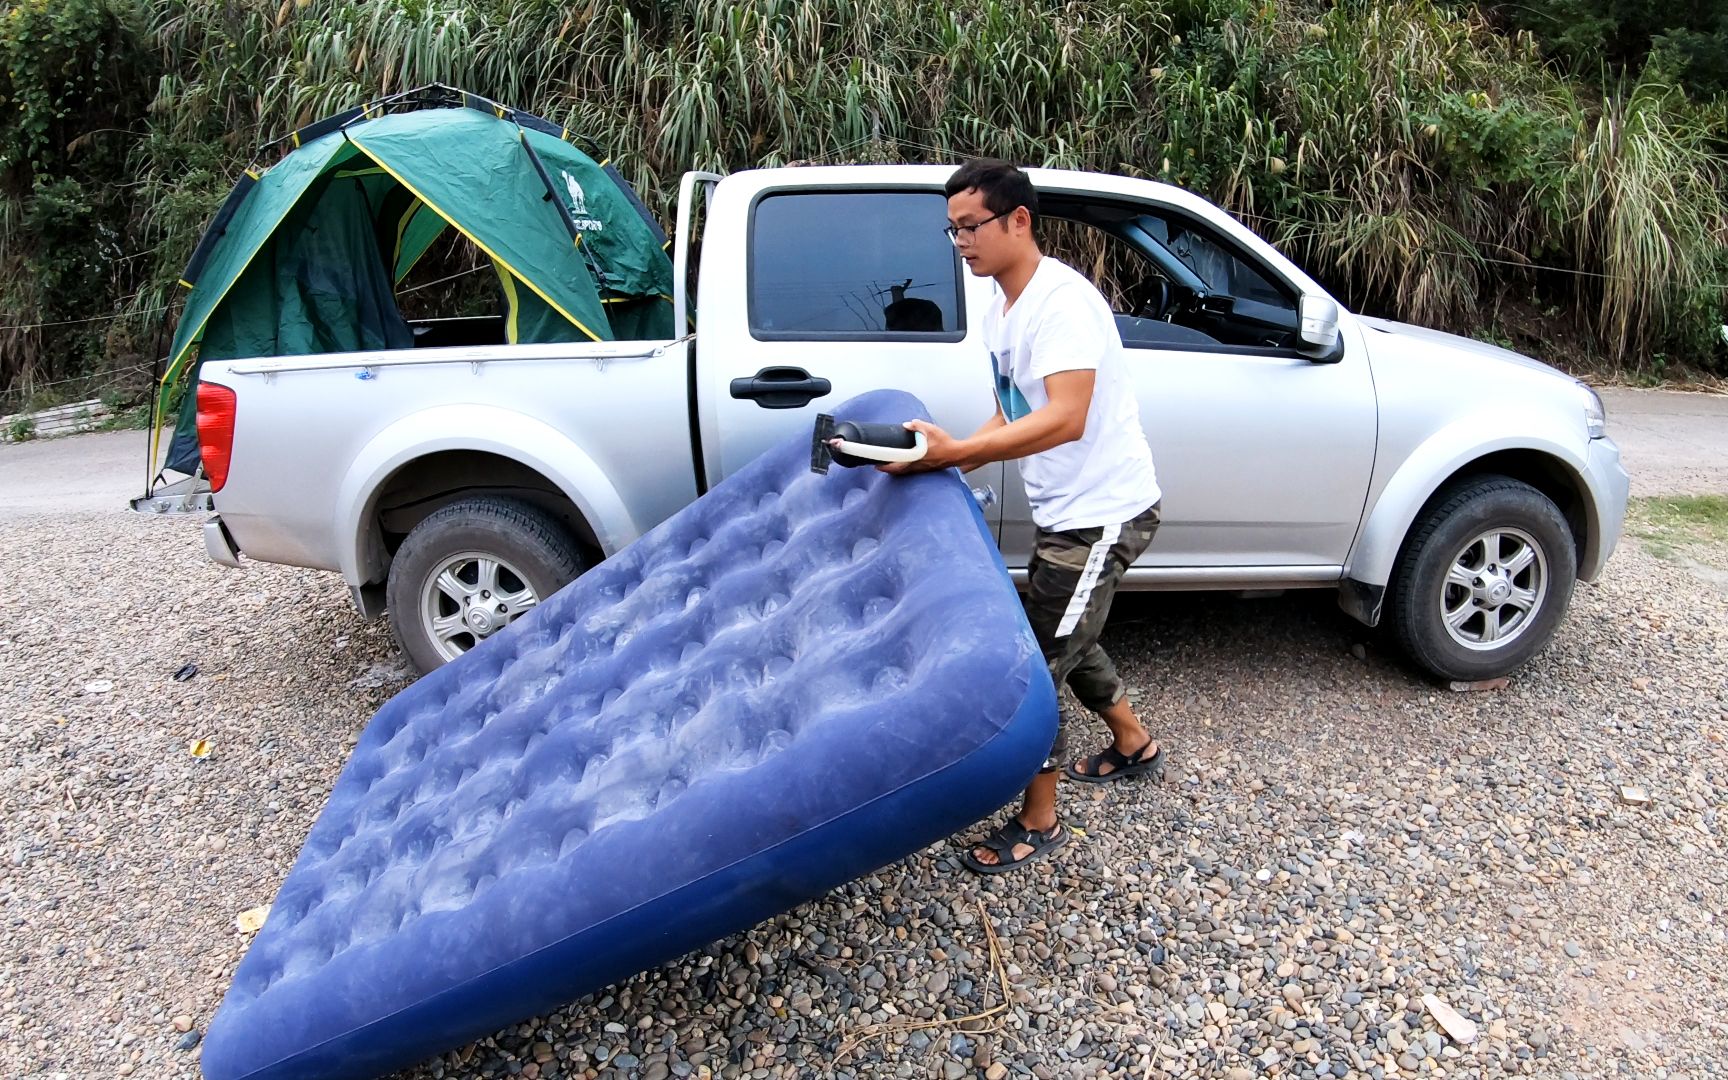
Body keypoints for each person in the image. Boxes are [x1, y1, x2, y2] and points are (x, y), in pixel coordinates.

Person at [875, 158, 1165, 874]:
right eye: (953, 232)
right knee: (1068, 627)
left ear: (1018, 221)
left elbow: (1065, 420)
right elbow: (1013, 410)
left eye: (971, 227)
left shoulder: (1060, 303)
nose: (962, 243)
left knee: (1033, 671)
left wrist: (959, 452)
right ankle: (1134, 744)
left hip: (1102, 516)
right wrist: (941, 459)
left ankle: (1041, 819)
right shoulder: (1001, 308)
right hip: (1065, 513)